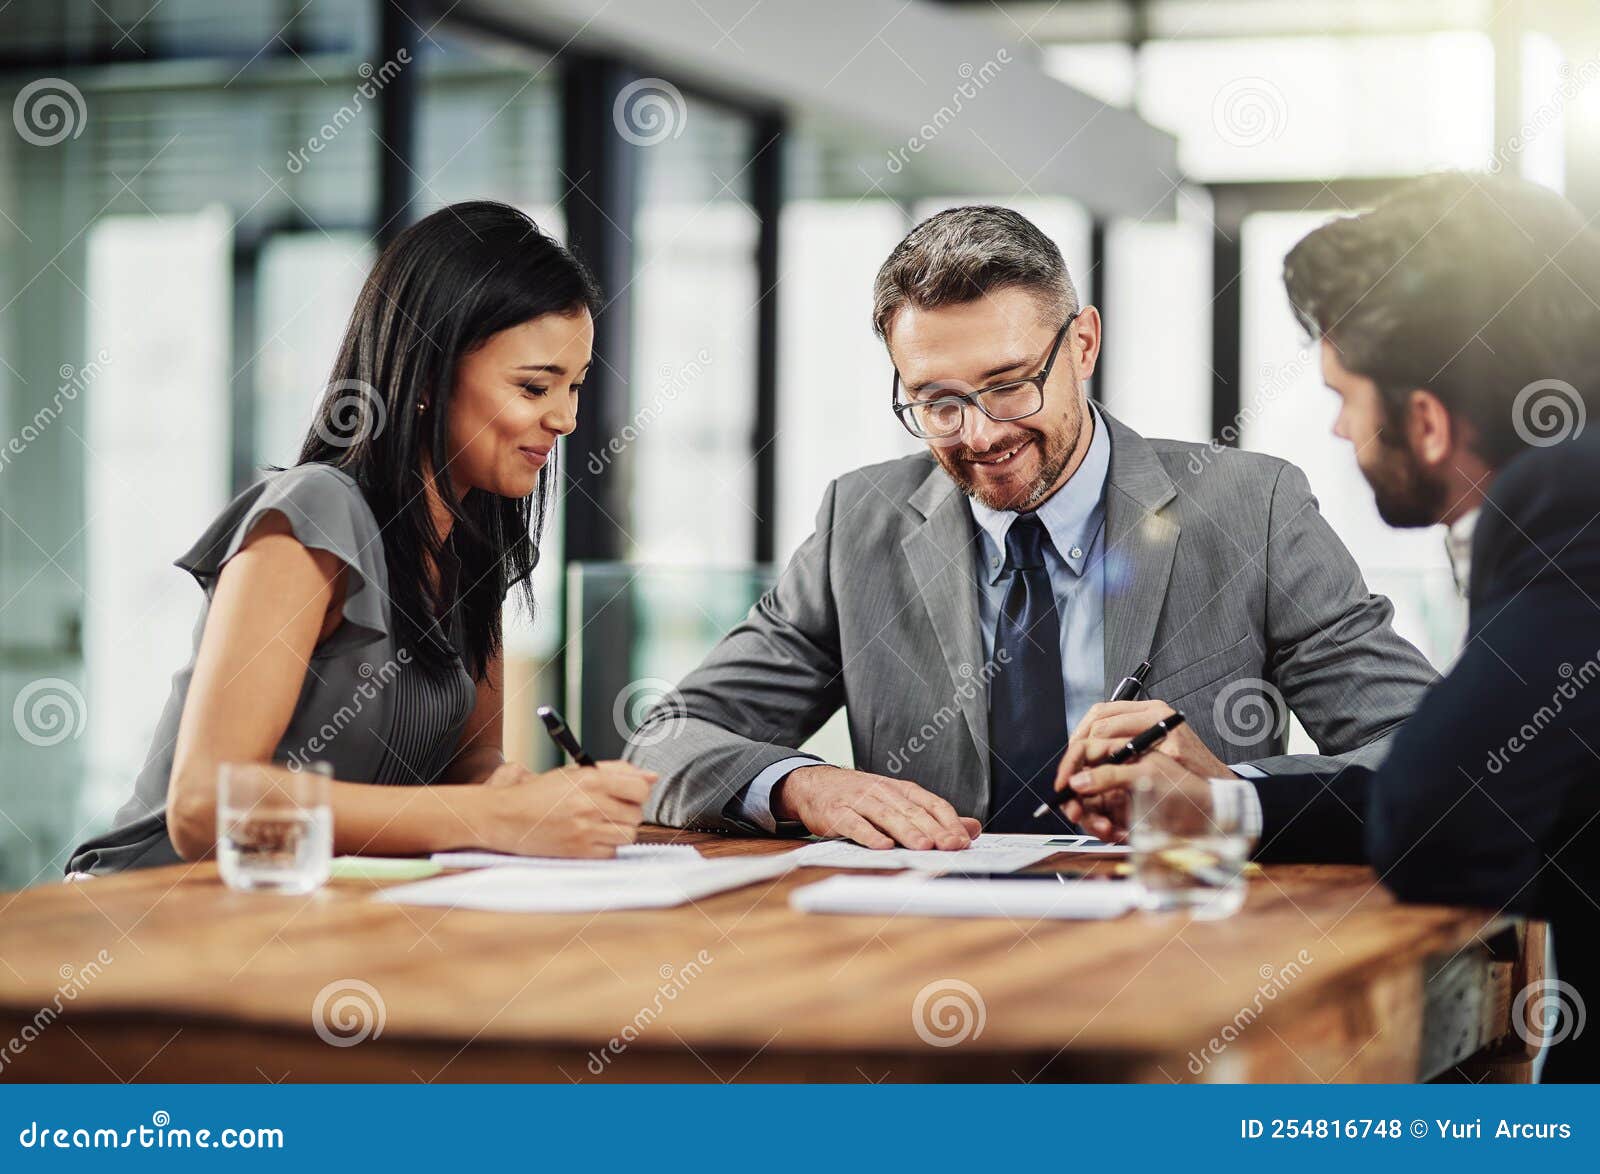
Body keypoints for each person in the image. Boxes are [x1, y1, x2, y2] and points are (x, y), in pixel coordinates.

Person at [628, 205, 1435, 847]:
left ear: (1082, 344)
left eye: (1010, 385)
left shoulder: (1249, 509)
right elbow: (665, 740)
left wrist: (1231, 798)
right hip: (931, 972)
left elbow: (1428, 752)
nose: (980, 435)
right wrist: (805, 784)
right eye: (937, 402)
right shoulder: (860, 525)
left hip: (1185, 960)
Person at [1057, 172, 1600, 1081]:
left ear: (1426, 421)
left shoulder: (1559, 506)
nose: (1343, 432)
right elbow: (1478, 786)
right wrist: (1224, 803)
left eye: (1345, 396)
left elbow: (1440, 815)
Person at [68, 202, 654, 874]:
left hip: (314, 913)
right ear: (428, 377)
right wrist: (496, 819)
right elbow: (205, 805)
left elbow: (466, 760)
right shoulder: (316, 515)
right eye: (534, 387)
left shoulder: (473, 540)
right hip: (160, 906)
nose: (565, 418)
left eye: (574, 387)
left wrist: (513, 790)